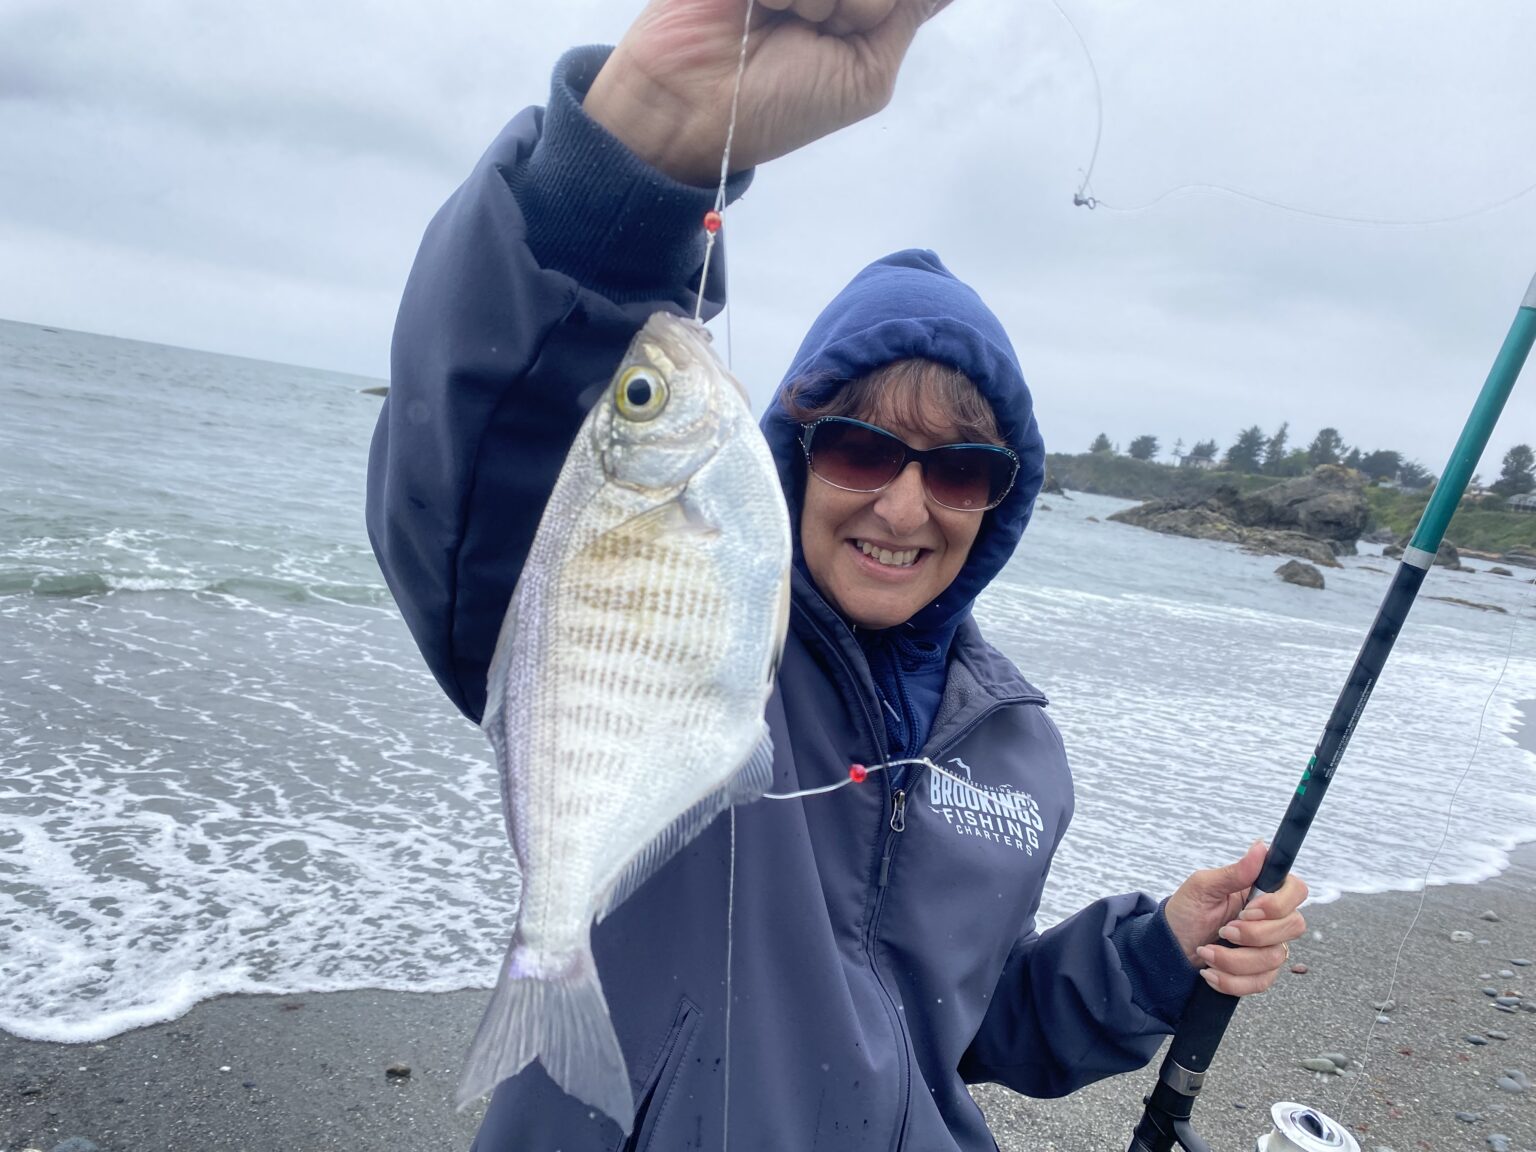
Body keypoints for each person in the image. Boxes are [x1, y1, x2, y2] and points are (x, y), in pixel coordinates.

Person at [366, 2, 1310, 1149]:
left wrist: (1152, 954)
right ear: (791, 455)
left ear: (999, 499)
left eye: (960, 469)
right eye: (862, 450)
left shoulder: (1019, 748)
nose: (904, 505)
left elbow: (958, 1023)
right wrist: (646, 139)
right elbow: (470, 484)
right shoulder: (700, 639)